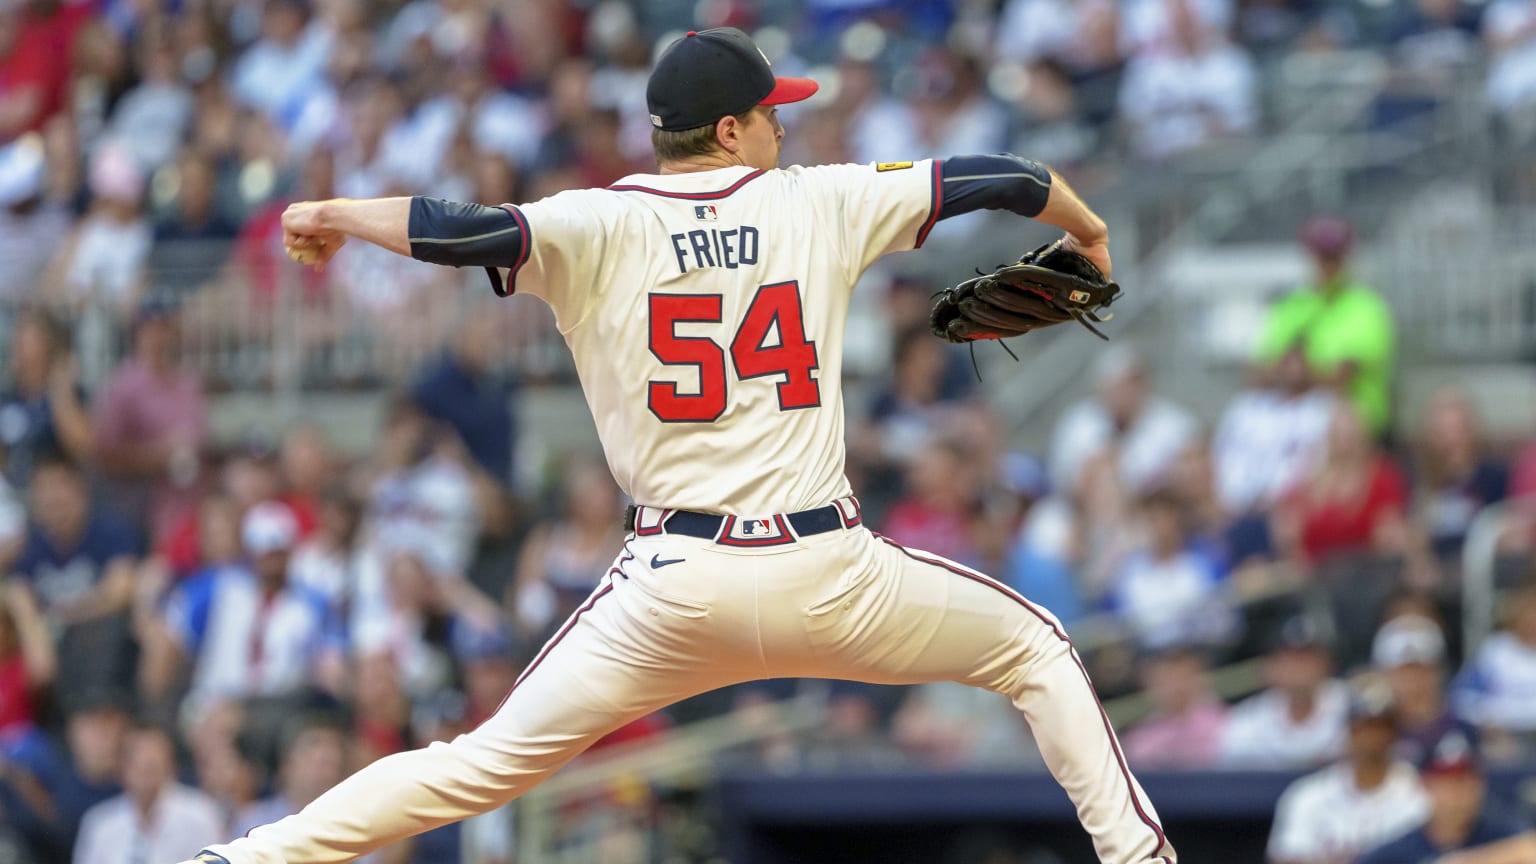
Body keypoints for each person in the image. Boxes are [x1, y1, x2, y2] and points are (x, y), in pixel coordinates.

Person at [183, 26, 1177, 864]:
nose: (785, 129)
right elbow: (996, 178)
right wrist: (1085, 228)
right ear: (733, 127)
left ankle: (250, 857)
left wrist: (332, 214)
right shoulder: (817, 198)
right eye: (773, 115)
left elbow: (462, 228)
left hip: (670, 584)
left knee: (480, 764)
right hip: (825, 572)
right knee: (1034, 648)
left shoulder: (597, 222)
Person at [1255, 217, 1395, 438]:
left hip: (1355, 432)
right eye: (1321, 256)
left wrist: (1294, 374)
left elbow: (1341, 378)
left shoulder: (1367, 307)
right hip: (1291, 426)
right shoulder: (1292, 304)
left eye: (1333, 257)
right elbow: (1259, 373)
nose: (1327, 265)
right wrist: (1308, 375)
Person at [1267, 684, 1429, 864]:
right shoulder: (1308, 795)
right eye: (1361, 728)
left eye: (1380, 728)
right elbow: (1285, 858)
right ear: (1347, 730)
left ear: (1394, 733)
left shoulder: (1420, 791)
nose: (1371, 738)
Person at [92, 300, 209, 540]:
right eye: (152, 327)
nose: (160, 335)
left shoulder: (189, 383)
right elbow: (105, 456)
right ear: (138, 331)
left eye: (166, 326)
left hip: (190, 509)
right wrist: (159, 454)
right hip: (141, 514)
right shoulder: (124, 385)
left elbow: (203, 441)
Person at [1360, 726, 1536, 864]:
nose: (1458, 794)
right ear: (1426, 785)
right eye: (1448, 783)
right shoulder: (1401, 850)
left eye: (1466, 781)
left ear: (1480, 784)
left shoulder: (1503, 834)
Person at [72, 724, 223, 864]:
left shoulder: (200, 814)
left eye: (153, 766)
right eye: (139, 766)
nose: (146, 776)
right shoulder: (100, 824)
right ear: (122, 768)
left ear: (171, 766)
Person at [1221, 615, 1350, 768]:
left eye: (1306, 658)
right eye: (1289, 659)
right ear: (1272, 666)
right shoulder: (1246, 720)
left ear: (1326, 663)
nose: (1298, 669)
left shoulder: (1354, 706)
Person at [0, 310, 93, 486]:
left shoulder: (69, 394)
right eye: (18, 338)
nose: (20, 346)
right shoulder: (7, 397)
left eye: (30, 338)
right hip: (12, 496)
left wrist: (61, 391)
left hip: (56, 495)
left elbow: (83, 447)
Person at [1452, 581, 1536, 759]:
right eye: (1528, 611)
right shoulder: (1495, 651)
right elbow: (1462, 696)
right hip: (1506, 734)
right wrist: (1488, 718)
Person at [1372, 613, 1461, 765]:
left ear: (1439, 672)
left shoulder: (1465, 729)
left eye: (1421, 671)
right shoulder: (1372, 737)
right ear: (1384, 675)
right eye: (1402, 672)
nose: (1412, 682)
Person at [1122, 645, 1229, 770]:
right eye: (1166, 680)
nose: (1175, 687)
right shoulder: (1140, 735)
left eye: (1182, 678)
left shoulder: (1226, 723)